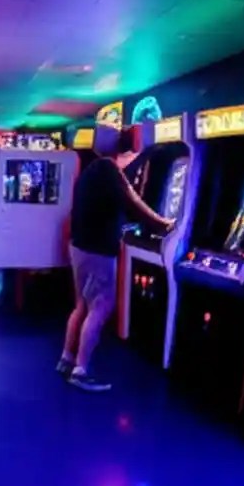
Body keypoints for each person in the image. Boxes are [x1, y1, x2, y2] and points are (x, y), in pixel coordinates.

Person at [58, 130, 172, 391]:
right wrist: (166, 224)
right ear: (123, 149)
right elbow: (135, 203)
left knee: (82, 305)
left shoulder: (91, 170)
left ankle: (66, 359)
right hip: (97, 249)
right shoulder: (109, 171)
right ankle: (81, 370)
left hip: (80, 245)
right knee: (101, 306)